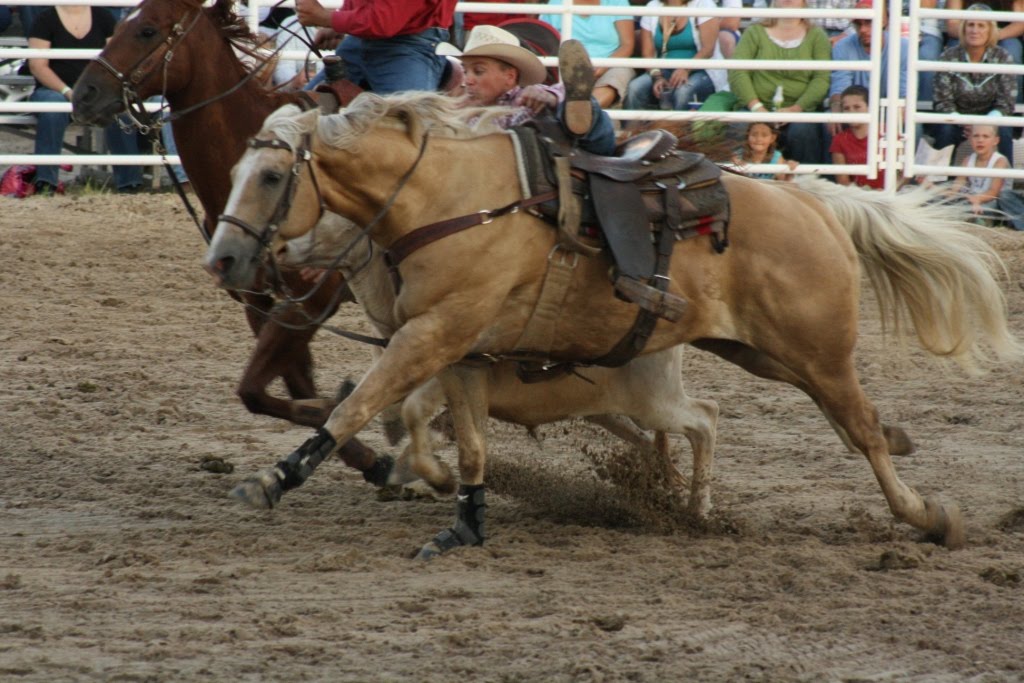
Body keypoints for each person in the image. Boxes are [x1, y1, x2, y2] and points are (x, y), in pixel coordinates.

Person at [27, 4, 142, 194]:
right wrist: (67, 92)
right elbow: (38, 66)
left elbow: (116, 59)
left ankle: (129, 183)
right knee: (53, 106)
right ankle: (46, 182)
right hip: (55, 90)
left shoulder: (103, 17)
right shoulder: (45, 19)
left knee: (119, 109)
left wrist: (102, 90)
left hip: (96, 91)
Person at [455, 25, 616, 155]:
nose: (468, 80)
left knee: (569, 111)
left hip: (567, 146)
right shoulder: (465, 112)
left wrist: (551, 97)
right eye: (465, 71)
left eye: (478, 71)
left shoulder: (530, 96)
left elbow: (557, 91)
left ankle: (575, 109)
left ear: (510, 76)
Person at [728, 0, 832, 164]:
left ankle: (804, 179)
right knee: (739, 125)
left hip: (799, 110)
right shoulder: (755, 32)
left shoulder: (817, 36)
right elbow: (738, 72)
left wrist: (796, 109)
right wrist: (757, 108)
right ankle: (741, 177)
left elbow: (821, 78)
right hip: (756, 108)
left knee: (803, 130)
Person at [294, 0, 458, 94]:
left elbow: (385, 21)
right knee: (297, 116)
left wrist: (329, 19)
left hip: (409, 44)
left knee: (411, 122)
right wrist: (340, 19)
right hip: (388, 41)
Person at [931, 3, 1017, 161]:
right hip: (957, 120)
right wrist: (964, 122)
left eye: (981, 25)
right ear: (963, 29)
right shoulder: (948, 57)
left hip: (990, 121)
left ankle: (1006, 175)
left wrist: (982, 124)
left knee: (1004, 129)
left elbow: (1006, 102)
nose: (975, 30)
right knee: (945, 129)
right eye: (970, 25)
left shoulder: (1003, 57)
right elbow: (942, 102)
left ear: (990, 30)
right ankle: (939, 174)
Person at [624, 0, 726, 113]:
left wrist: (685, 69)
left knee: (683, 92)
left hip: (701, 70)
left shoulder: (704, 4)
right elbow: (647, 53)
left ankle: (676, 125)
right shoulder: (652, 6)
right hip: (663, 70)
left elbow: (708, 50)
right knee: (635, 87)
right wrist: (657, 77)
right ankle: (634, 125)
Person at [827, 0, 908, 138]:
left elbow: (903, 94)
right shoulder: (842, 46)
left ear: (883, 21)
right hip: (852, 109)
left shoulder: (903, 47)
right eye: (858, 24)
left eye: (869, 22)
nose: (863, 29)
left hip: (888, 111)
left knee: (911, 127)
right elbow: (839, 86)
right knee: (832, 124)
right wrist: (836, 108)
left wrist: (893, 122)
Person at [541, 0, 636, 108]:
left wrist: (602, 68)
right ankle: (575, 113)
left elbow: (627, 45)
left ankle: (579, 111)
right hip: (567, 67)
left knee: (616, 78)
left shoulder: (617, 2)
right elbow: (546, 44)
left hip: (611, 65)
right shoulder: (555, 3)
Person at [939, 124, 1024, 229]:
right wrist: (940, 191)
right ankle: (969, 219)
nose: (980, 140)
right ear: (970, 139)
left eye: (985, 136)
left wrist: (977, 199)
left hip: (992, 200)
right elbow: (957, 185)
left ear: (996, 141)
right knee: (943, 200)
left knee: (1001, 198)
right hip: (972, 199)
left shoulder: (1000, 161)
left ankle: (982, 221)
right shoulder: (968, 160)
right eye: (976, 136)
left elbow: (994, 192)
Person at [829, 85, 884, 189]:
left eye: (857, 107)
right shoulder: (839, 140)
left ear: (870, 107)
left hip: (889, 195)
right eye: (846, 108)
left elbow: (903, 174)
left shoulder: (887, 133)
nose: (851, 112)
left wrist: (888, 192)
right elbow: (843, 182)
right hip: (857, 196)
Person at [732, 121, 798, 179]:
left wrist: (789, 169)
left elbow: (783, 181)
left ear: (772, 138)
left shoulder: (776, 157)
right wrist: (735, 165)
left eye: (764, 135)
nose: (758, 139)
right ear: (748, 136)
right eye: (754, 135)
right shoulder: (738, 156)